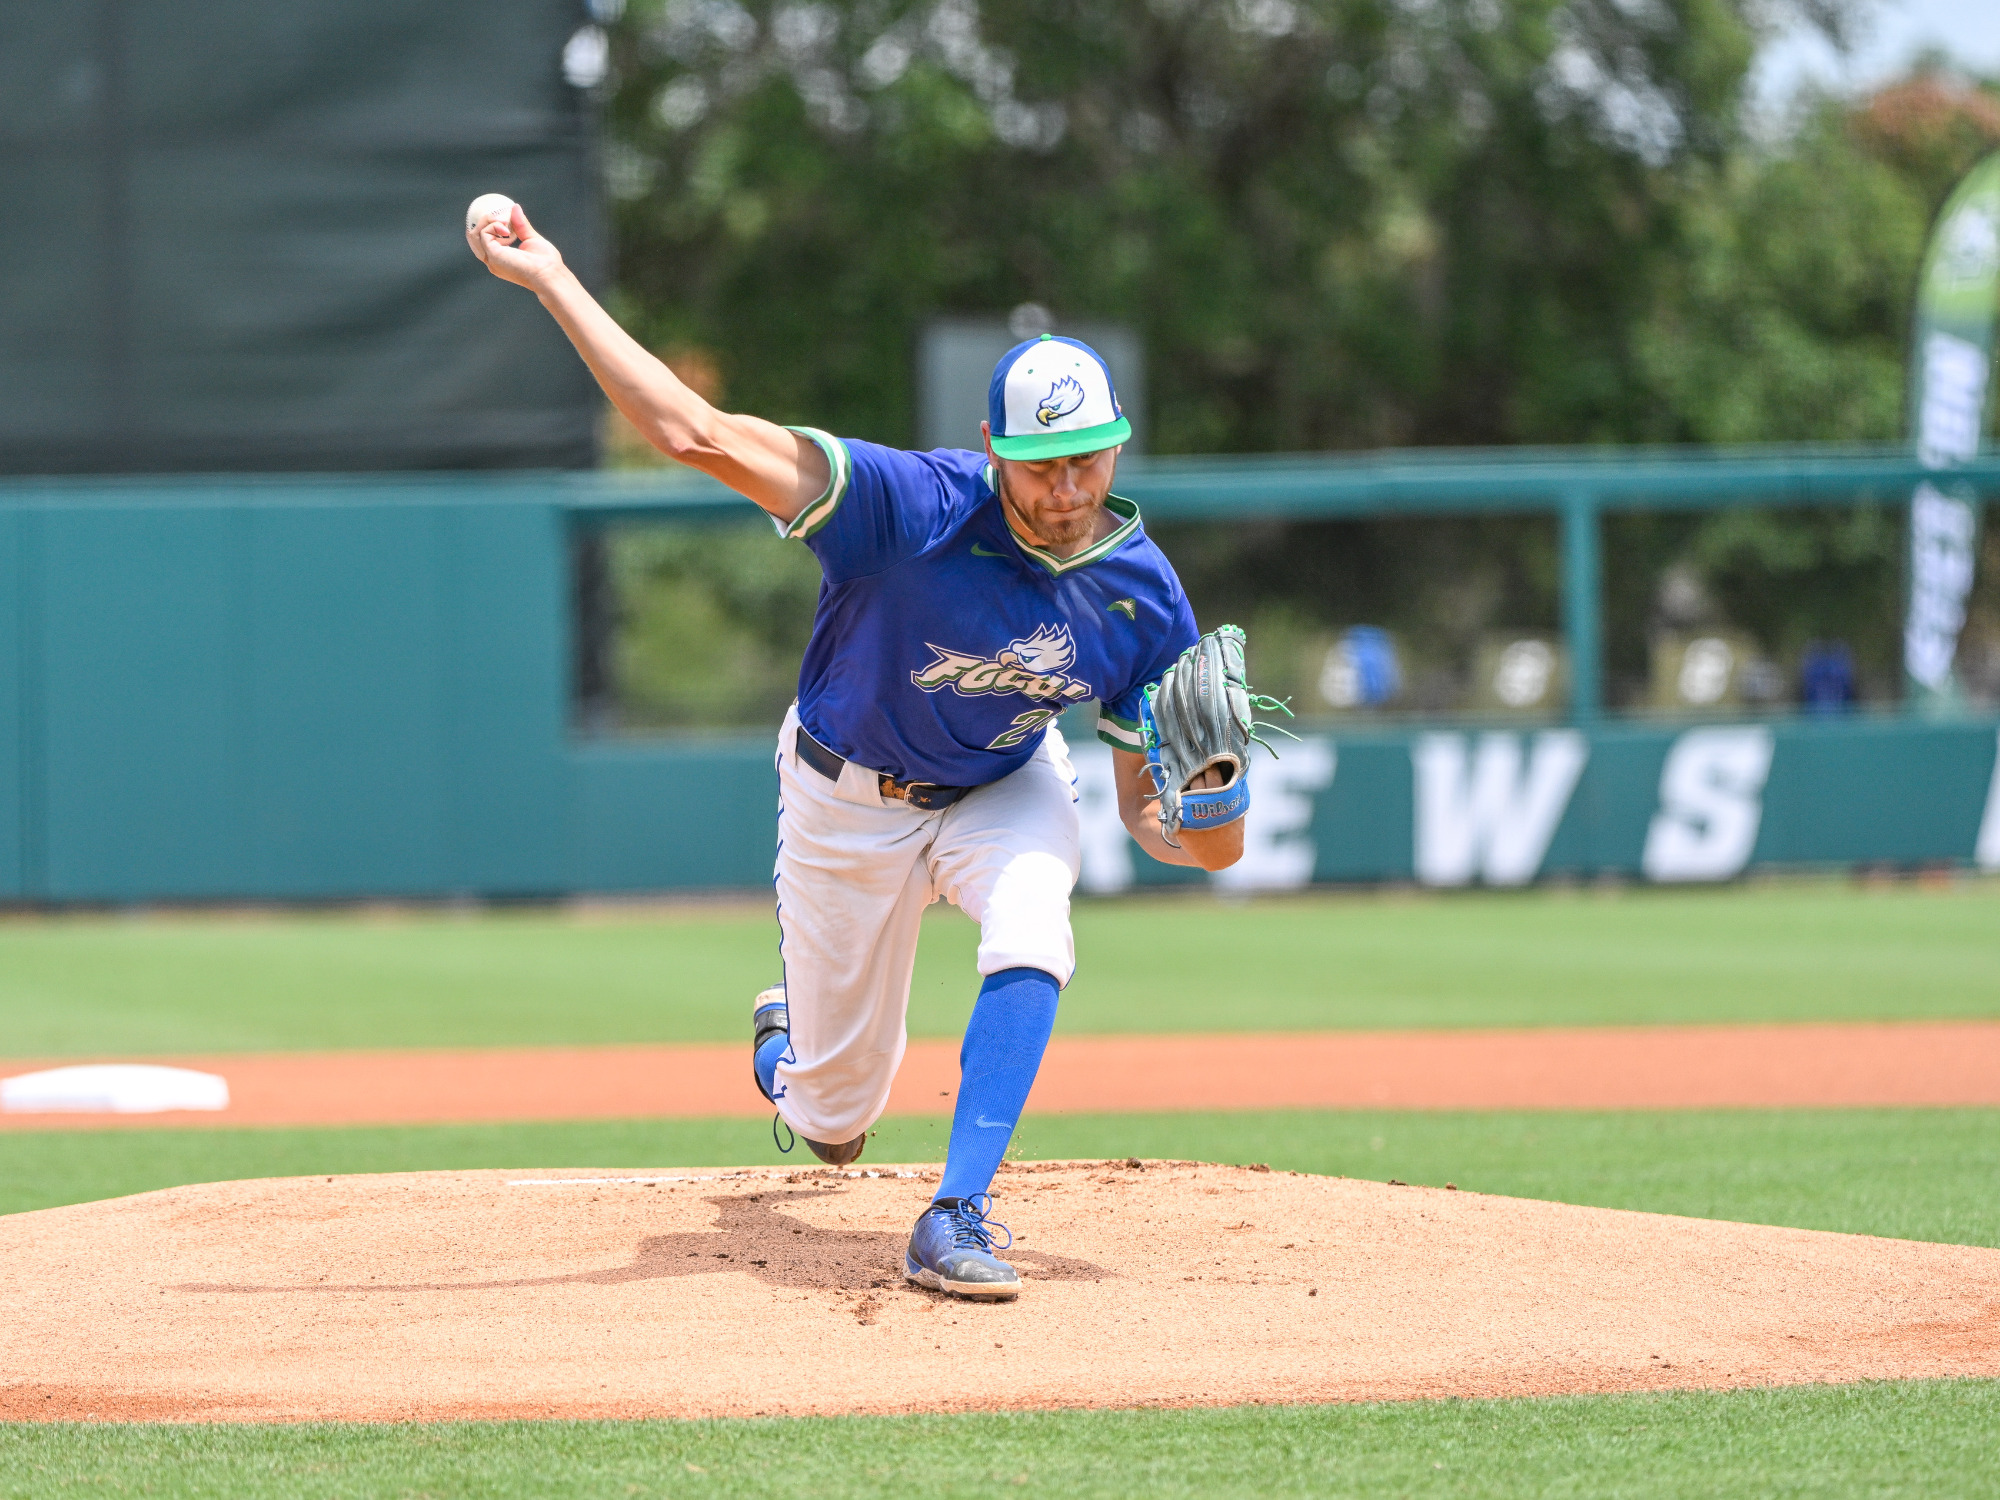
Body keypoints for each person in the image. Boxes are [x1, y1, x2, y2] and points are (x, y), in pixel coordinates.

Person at [472, 204, 1246, 1300]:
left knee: (1036, 921)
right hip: (847, 798)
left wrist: (1207, 815)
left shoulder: (1141, 595)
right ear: (994, 453)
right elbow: (692, 431)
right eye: (1038, 466)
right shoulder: (903, 506)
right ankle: (782, 1047)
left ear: (1115, 445)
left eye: (1084, 459)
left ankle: (955, 1213)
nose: (1064, 490)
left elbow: (1158, 827)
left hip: (1002, 784)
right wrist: (552, 276)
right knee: (834, 1123)